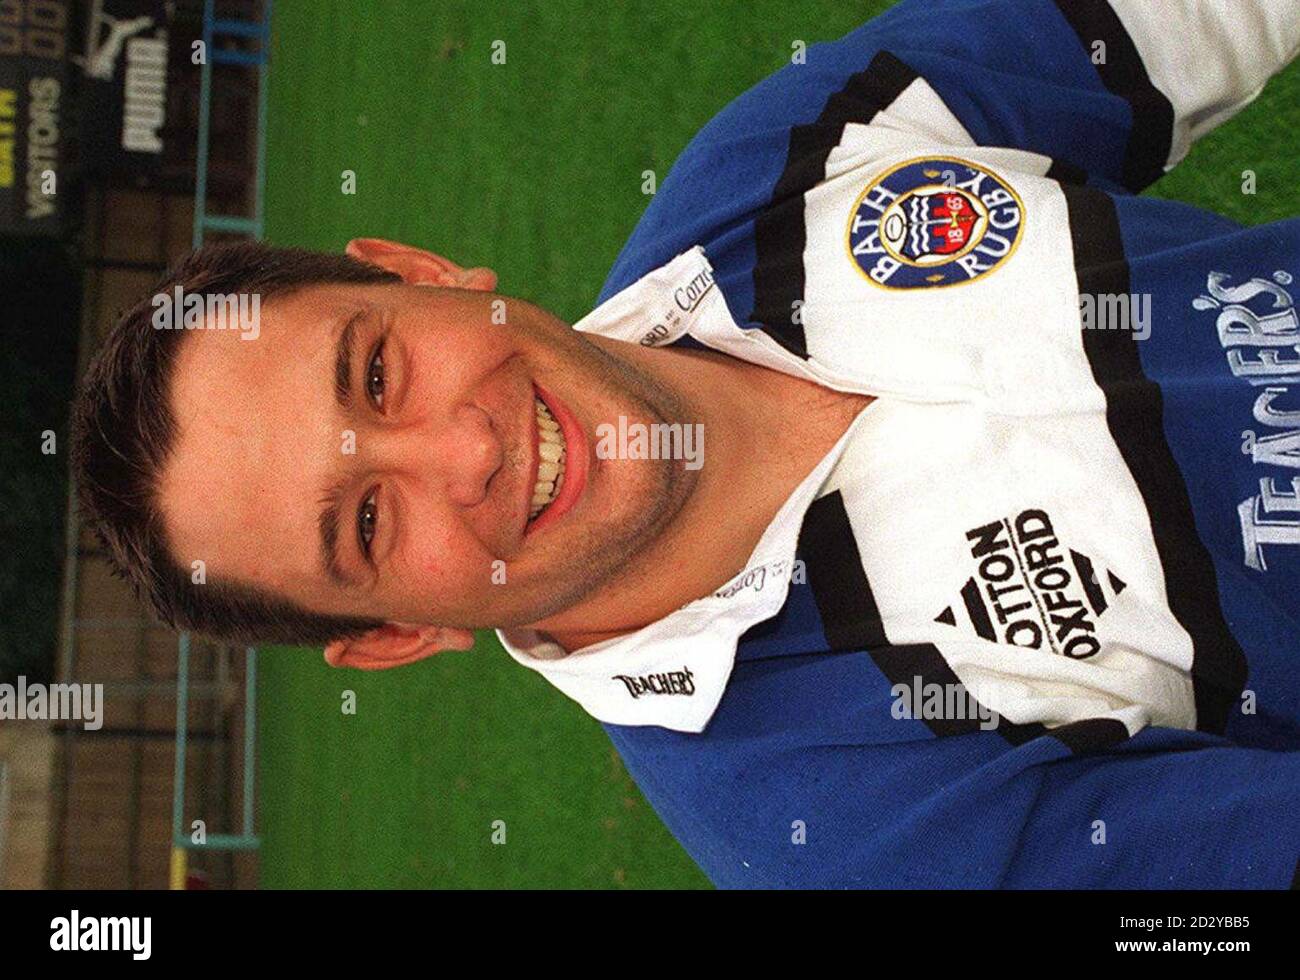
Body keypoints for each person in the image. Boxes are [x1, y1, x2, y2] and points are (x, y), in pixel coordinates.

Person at [73, 0, 1300, 887]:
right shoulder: (845, 834)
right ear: (400, 633)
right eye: (367, 521)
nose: (460, 452)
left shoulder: (783, 158)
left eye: (378, 371)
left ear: (426, 272)